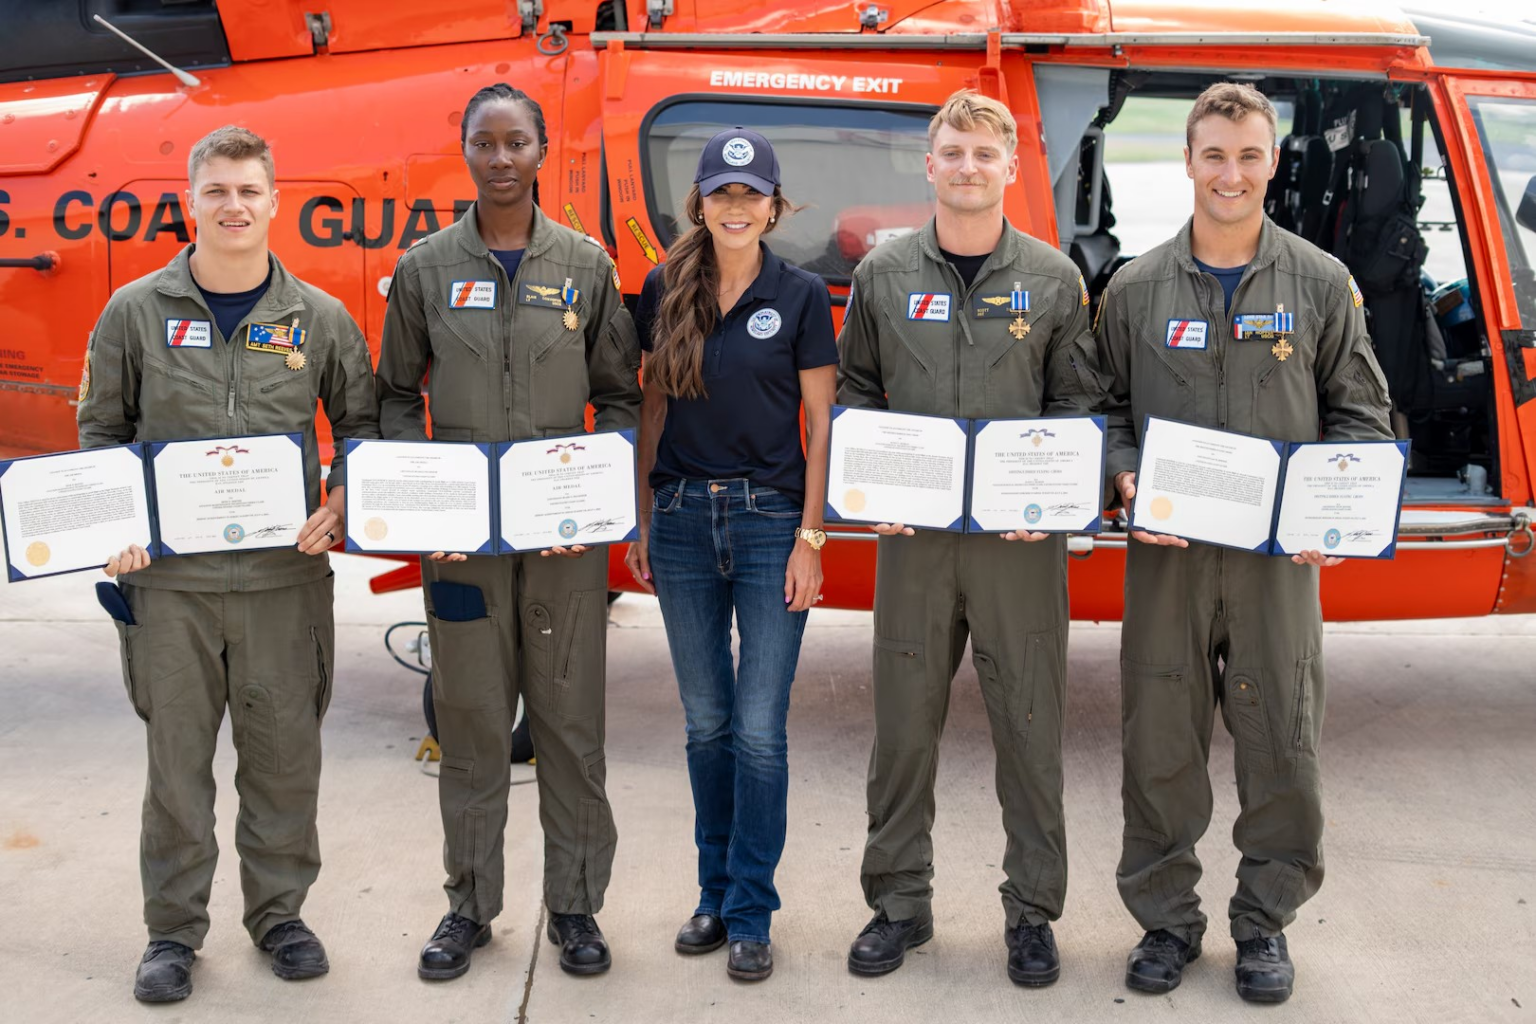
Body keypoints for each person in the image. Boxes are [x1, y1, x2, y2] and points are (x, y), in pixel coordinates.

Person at [1096, 82, 1394, 1004]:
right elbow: (1099, 407)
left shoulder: (1318, 282)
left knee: (1282, 739)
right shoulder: (1135, 288)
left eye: (1248, 154)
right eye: (1214, 154)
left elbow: (1363, 414)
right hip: (1169, 562)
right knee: (1161, 741)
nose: (1231, 172)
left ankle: (1264, 923)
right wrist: (1123, 468)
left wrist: (1337, 510)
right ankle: (1165, 923)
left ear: (1272, 162)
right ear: (1187, 161)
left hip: (1275, 567)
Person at [77, 125, 380, 1003]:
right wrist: (117, 524)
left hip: (285, 583)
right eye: (217, 191)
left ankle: (279, 916)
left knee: (284, 759)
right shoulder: (134, 311)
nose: (234, 206)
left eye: (249, 191)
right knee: (175, 768)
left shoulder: (319, 318)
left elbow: (359, 431)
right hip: (169, 585)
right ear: (190, 201)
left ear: (275, 202)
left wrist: (338, 504)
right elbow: (101, 432)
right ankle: (172, 932)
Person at [837, 90, 1103, 987]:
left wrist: (1056, 488)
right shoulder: (884, 276)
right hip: (913, 542)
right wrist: (866, 480)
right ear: (929, 164)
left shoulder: (1055, 277)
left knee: (1031, 731)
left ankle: (1032, 914)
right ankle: (898, 906)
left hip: (1019, 551)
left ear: (1011, 168)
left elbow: (1077, 405)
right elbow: (856, 397)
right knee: (902, 732)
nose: (967, 167)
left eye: (985, 155)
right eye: (952, 152)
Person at [375, 83, 641, 981]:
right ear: (466, 151)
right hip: (461, 547)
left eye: (515, 142)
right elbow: (391, 399)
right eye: (484, 143)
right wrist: (426, 506)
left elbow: (619, 398)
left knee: (570, 725)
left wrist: (595, 502)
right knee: (474, 724)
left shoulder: (585, 265)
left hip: (562, 544)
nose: (499, 158)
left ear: (539, 151)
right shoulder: (422, 269)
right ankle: (469, 906)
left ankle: (574, 907)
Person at [623, 128, 838, 982]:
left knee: (758, 730)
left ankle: (752, 908)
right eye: (722, 194)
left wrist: (812, 537)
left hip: (767, 522)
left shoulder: (802, 294)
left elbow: (821, 425)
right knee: (706, 723)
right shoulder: (662, 286)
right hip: (678, 519)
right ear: (700, 205)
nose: (737, 208)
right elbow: (649, 412)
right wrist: (643, 516)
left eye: (752, 196)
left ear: (774, 207)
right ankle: (712, 894)